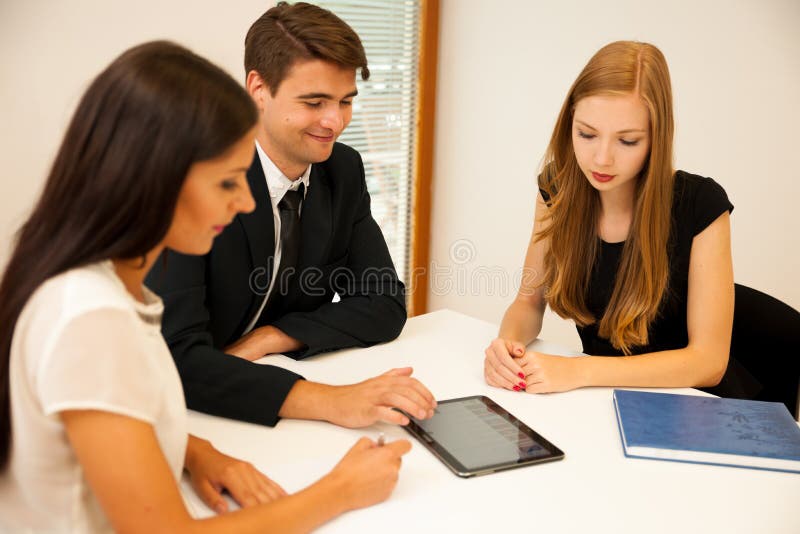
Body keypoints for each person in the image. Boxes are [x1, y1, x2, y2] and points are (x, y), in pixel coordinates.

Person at [0, 40, 410, 533]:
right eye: (227, 182)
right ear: (155, 178)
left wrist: (194, 451)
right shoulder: (92, 320)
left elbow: (110, 415)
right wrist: (339, 490)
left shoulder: (99, 285)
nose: (244, 202)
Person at [145, 1, 436, 428]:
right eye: (314, 101)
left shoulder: (343, 170)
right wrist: (332, 402)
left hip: (274, 392)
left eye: (345, 101)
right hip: (189, 412)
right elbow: (176, 356)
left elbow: (384, 303)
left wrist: (272, 337)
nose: (335, 122)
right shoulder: (197, 177)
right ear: (258, 89)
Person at [484, 41, 737, 394]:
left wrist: (579, 371)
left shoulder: (701, 205)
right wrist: (506, 347)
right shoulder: (557, 189)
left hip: (692, 407)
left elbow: (708, 363)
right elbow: (528, 302)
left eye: (628, 141)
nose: (601, 159)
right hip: (602, 401)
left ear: (656, 139)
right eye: (586, 134)